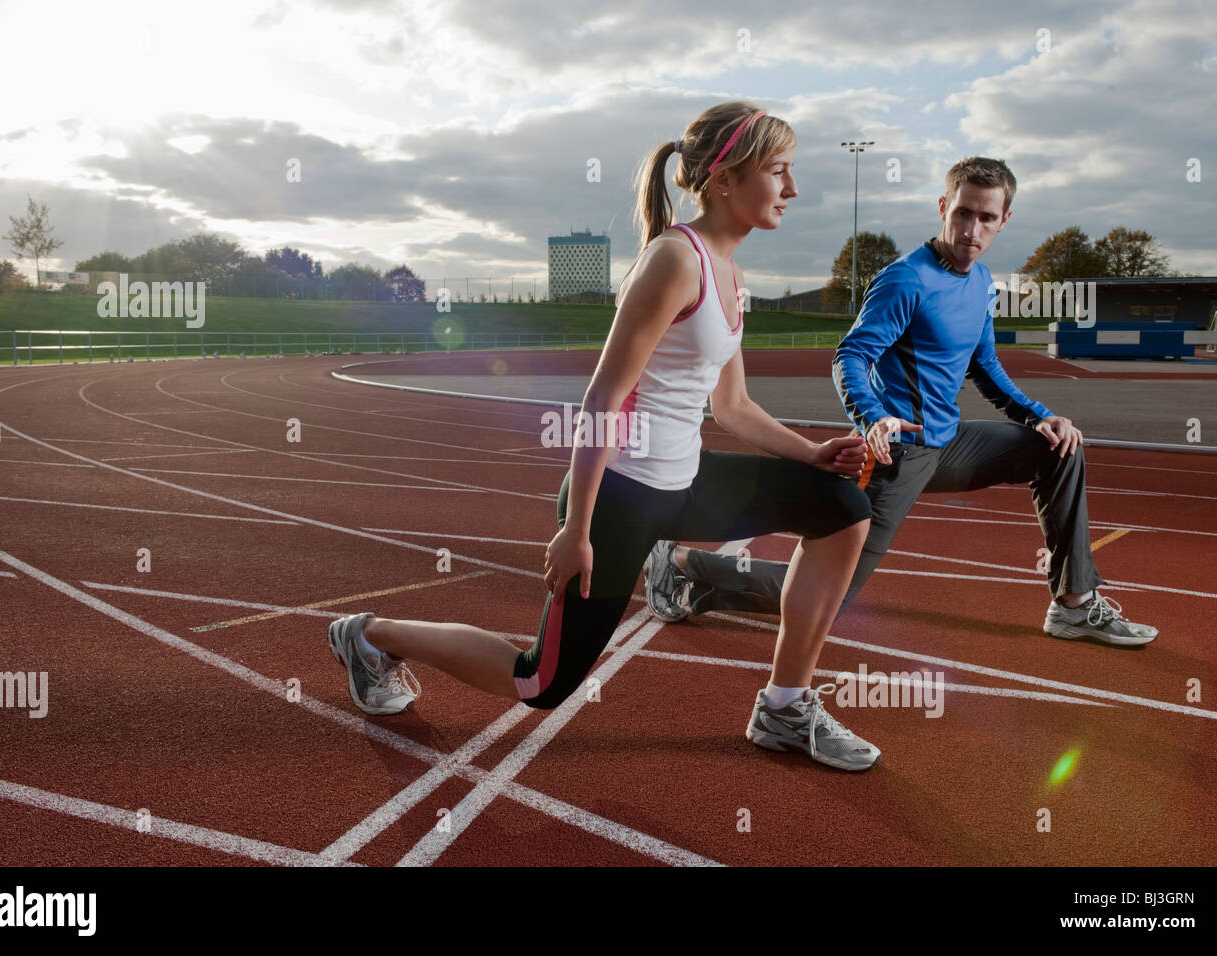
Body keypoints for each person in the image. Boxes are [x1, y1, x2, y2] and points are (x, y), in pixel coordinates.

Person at [326, 102, 885, 770]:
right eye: (778, 171)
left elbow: (731, 406)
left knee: (843, 508)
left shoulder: (732, 273)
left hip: (686, 483)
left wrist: (812, 452)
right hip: (619, 497)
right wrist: (576, 531)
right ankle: (370, 637)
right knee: (541, 681)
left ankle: (785, 706)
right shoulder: (675, 261)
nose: (792, 190)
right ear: (725, 178)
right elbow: (603, 397)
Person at [643, 156, 1159, 649]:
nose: (970, 230)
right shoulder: (905, 279)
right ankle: (685, 562)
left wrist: (1041, 416)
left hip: (952, 445)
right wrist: (872, 418)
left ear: (1004, 220)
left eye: (985, 218)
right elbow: (851, 355)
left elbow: (987, 367)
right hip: (899, 454)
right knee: (825, 595)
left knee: (1059, 450)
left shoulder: (980, 282)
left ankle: (1074, 603)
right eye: (962, 213)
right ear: (943, 208)